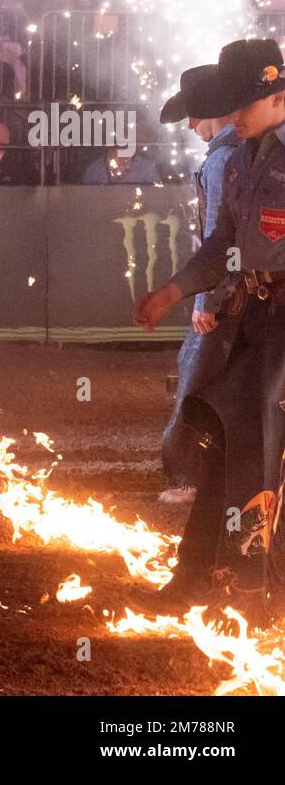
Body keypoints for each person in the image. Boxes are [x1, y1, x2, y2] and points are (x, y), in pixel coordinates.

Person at [134, 39, 285, 619]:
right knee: (229, 442)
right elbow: (223, 243)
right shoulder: (247, 155)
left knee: (255, 449)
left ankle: (246, 589)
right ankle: (208, 575)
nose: (232, 116)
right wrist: (173, 291)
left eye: (242, 104)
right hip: (260, 320)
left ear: (277, 96)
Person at [155, 65, 242, 506]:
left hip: (226, 292)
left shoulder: (225, 157)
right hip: (246, 290)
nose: (191, 125)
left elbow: (216, 237)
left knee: (195, 373)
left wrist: (206, 299)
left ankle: (187, 477)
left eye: (195, 115)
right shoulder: (244, 151)